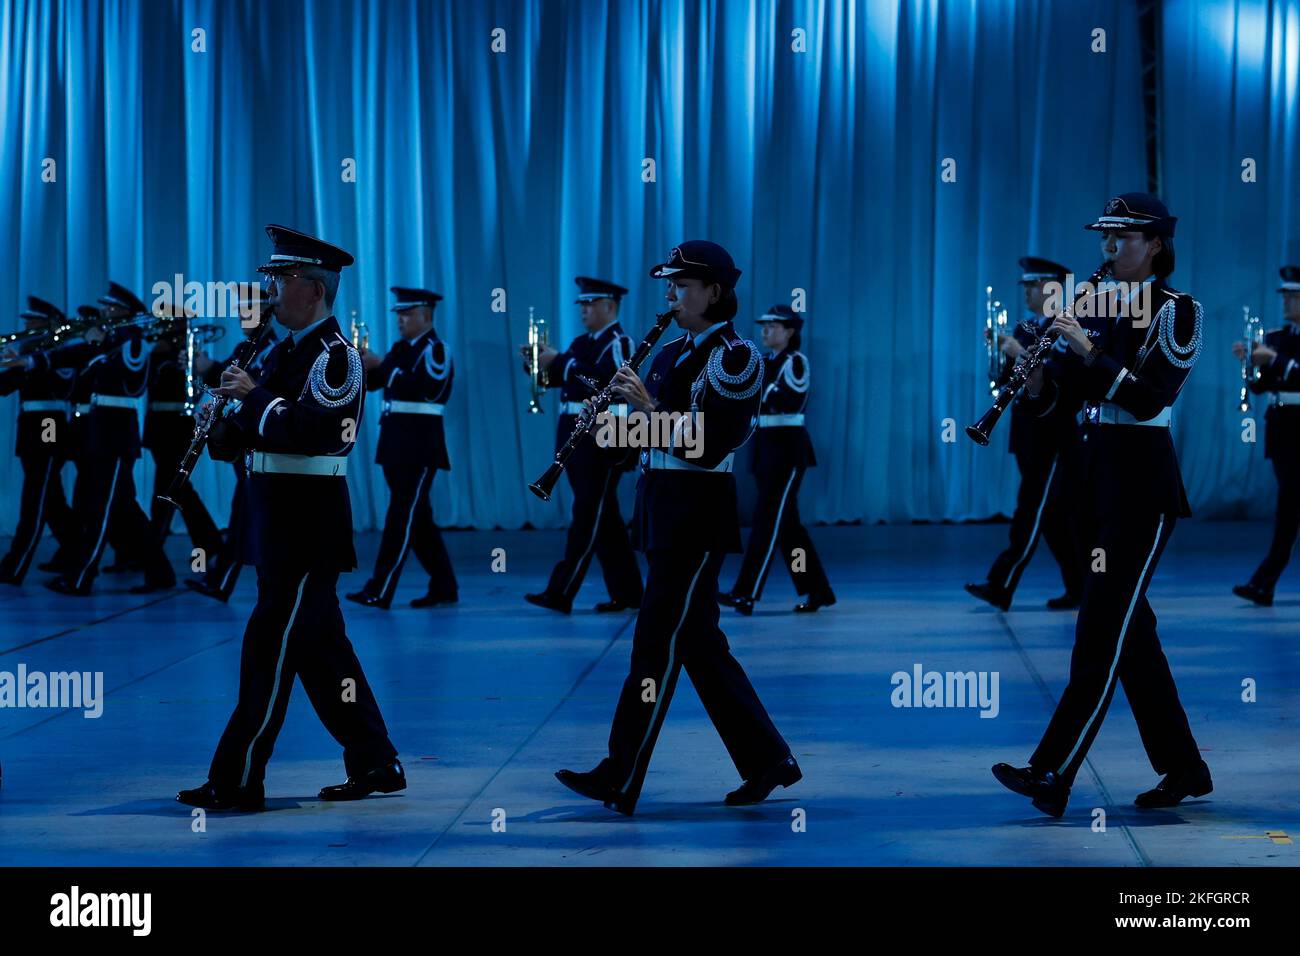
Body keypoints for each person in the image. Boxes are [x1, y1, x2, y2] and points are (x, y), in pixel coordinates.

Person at [555, 241, 800, 816]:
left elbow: (716, 439)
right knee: (699, 645)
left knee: (655, 644)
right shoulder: (666, 354)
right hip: (662, 511)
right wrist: (605, 431)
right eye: (668, 284)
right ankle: (768, 758)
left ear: (714, 292)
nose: (669, 294)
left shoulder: (738, 357)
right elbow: (638, 441)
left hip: (697, 516)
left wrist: (645, 413)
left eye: (682, 285)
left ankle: (621, 773)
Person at [992, 194, 1211, 817]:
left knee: (1099, 632)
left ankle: (1051, 772)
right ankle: (1185, 769)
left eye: (1123, 238)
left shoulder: (1179, 312)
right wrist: (1035, 382)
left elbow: (1147, 399)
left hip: (1143, 485)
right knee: (1132, 638)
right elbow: (1056, 405)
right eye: (1105, 238)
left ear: (1157, 245)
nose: (1109, 249)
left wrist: (1087, 353)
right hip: (1095, 477)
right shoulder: (1096, 303)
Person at [177, 225, 403, 811]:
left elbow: (311, 433)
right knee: (324, 657)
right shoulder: (281, 350)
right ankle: (377, 762)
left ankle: (238, 779)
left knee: (267, 653)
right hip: (276, 522)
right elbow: (252, 432)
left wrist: (251, 397)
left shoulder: (337, 359)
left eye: (280, 280)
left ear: (313, 288)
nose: (271, 291)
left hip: (307, 528)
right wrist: (218, 420)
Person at [37, 283, 174, 595]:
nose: (105, 313)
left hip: (116, 436)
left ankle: (80, 577)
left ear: (125, 312)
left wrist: (110, 342)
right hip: (102, 434)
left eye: (112, 309)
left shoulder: (133, 342)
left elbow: (134, 384)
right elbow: (70, 356)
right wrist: (30, 361)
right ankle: (161, 572)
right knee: (123, 508)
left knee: (100, 507)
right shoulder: (109, 341)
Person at [965, 258, 1084, 611]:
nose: (1028, 292)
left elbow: (1066, 377)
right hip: (1028, 431)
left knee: (1030, 510)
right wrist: (1000, 355)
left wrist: (1022, 354)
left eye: (1034, 286)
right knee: (1053, 519)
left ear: (1052, 288)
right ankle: (1080, 588)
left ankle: (1001, 583)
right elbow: (1006, 383)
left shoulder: (1065, 328)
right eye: (1027, 286)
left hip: (1055, 431)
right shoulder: (1026, 327)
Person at [522, 276, 643, 614]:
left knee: (587, 516)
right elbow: (560, 379)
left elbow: (610, 380)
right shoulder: (580, 342)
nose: (584, 310)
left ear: (609, 306)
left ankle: (561, 592)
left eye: (591, 304)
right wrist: (537, 363)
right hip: (575, 437)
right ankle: (630, 593)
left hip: (603, 438)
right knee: (606, 521)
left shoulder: (619, 342)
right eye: (582, 304)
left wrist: (561, 360)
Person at [346, 287, 458, 609]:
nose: (400, 319)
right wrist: (361, 364)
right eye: (398, 314)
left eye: (407, 314)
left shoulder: (436, 349)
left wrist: (385, 366)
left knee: (400, 519)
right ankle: (445, 585)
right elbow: (377, 382)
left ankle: (380, 589)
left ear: (426, 315)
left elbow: (431, 390)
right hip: (396, 444)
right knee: (418, 520)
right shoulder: (400, 348)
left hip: (421, 448)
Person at [719, 304, 834, 614]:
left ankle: (746, 592)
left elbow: (788, 399)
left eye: (773, 326)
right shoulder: (764, 363)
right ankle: (817, 590)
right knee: (788, 528)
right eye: (764, 326)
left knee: (767, 522)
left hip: (787, 450)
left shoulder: (796, 362)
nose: (765, 331)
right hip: (766, 448)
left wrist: (754, 389)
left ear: (790, 331)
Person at [184, 305, 281, 602]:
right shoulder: (245, 347)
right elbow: (224, 379)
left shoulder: (272, 351)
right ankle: (221, 581)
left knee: (245, 514)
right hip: (239, 439)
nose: (243, 319)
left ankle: (222, 581)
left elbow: (258, 391)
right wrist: (207, 367)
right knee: (242, 512)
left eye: (250, 312)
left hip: (255, 439)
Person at [1232, 266, 1300, 606]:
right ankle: (1264, 583)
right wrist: (1249, 363)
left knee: (1288, 510)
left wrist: (1275, 359)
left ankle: (1264, 582)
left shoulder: (1278, 346)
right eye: (1285, 295)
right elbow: (1259, 387)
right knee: (1289, 508)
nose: (1287, 301)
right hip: (1282, 430)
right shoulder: (1276, 337)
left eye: (1293, 295)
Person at [0, 297, 77, 584]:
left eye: (34, 322)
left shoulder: (60, 354)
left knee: (35, 498)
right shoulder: (30, 355)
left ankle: (15, 564)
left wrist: (31, 361)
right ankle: (75, 551)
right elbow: (6, 385)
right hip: (32, 430)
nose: (27, 327)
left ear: (48, 325)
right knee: (51, 499)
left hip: (49, 428)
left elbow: (62, 387)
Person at [143, 313, 223, 564]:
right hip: (159, 426)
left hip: (176, 427)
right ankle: (207, 541)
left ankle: (155, 555)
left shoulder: (186, 351)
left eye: (169, 323)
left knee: (173, 489)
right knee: (174, 489)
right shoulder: (156, 352)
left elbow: (196, 388)